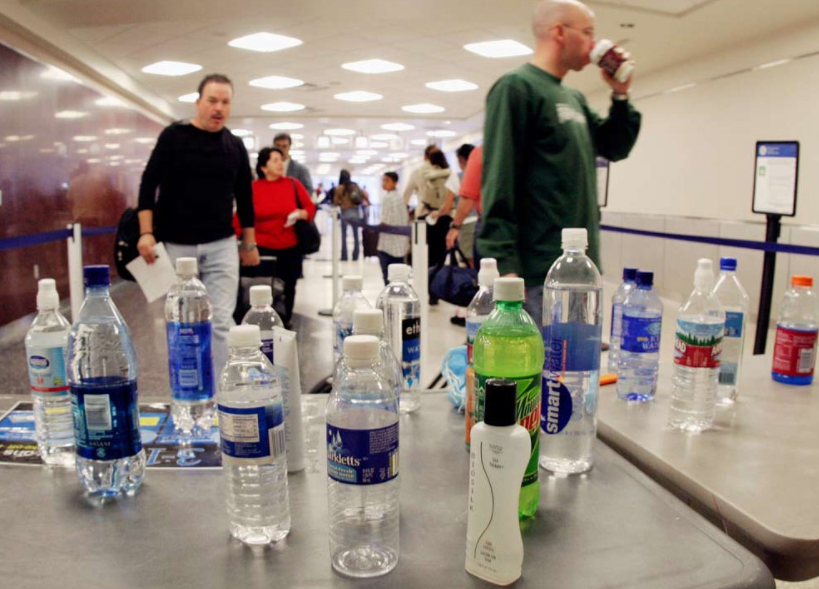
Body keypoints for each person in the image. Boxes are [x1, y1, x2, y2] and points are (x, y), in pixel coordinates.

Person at [480, 0, 641, 325]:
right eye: (587, 33)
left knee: (575, 371)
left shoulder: (573, 98)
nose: (594, 43)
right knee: (540, 372)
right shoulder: (517, 88)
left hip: (581, 267)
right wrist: (506, 269)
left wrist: (621, 95)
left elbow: (615, 146)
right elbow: (499, 182)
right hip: (537, 274)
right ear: (558, 32)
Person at [137, 73, 258, 375]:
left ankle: (223, 392)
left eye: (225, 102)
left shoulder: (234, 145)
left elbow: (245, 197)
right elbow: (148, 183)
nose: (218, 107)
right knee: (184, 321)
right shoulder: (173, 136)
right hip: (177, 246)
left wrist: (249, 242)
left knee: (220, 320)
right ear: (198, 102)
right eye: (212, 100)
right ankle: (188, 385)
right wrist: (146, 233)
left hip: (221, 244)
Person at [240, 146, 316, 328]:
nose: (280, 163)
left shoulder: (293, 184)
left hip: (290, 246)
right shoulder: (253, 188)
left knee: (289, 286)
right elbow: (241, 217)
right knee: (261, 286)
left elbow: (310, 207)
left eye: (281, 160)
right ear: (263, 167)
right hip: (261, 247)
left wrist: (301, 213)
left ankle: (285, 320)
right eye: (274, 160)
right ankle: (259, 319)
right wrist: (241, 244)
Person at [376, 171, 410, 284]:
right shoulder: (400, 197)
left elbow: (385, 222)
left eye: (387, 181)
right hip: (400, 244)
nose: (384, 183)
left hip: (388, 245)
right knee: (400, 277)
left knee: (388, 277)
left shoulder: (388, 198)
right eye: (383, 180)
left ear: (395, 183)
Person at [333, 169, 368, 261]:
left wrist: (342, 202)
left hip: (345, 213)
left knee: (344, 236)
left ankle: (344, 256)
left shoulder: (339, 188)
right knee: (356, 236)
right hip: (355, 213)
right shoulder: (355, 186)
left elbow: (336, 202)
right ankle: (355, 256)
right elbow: (364, 195)